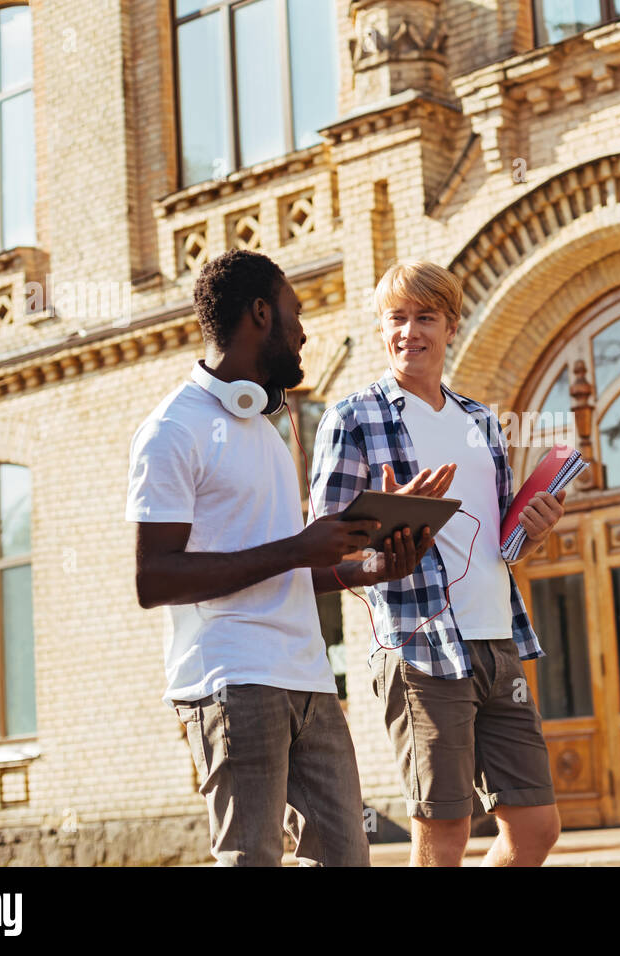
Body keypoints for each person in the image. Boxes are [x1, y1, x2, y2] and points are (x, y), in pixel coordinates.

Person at [125, 249, 434, 866]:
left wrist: (373, 566)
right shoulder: (172, 431)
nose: (304, 330)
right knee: (252, 858)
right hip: (231, 681)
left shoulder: (263, 431)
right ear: (260, 314)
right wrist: (298, 545)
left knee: (346, 856)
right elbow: (154, 577)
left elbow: (290, 567)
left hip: (308, 679)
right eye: (295, 313)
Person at [312, 259, 567, 866]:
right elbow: (324, 547)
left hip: (497, 640)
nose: (409, 332)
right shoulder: (353, 418)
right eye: (396, 318)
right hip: (419, 646)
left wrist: (533, 531)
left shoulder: (480, 421)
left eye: (425, 317)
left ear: (452, 325)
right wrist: (388, 521)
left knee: (536, 829)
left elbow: (497, 542)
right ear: (381, 328)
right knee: (444, 833)